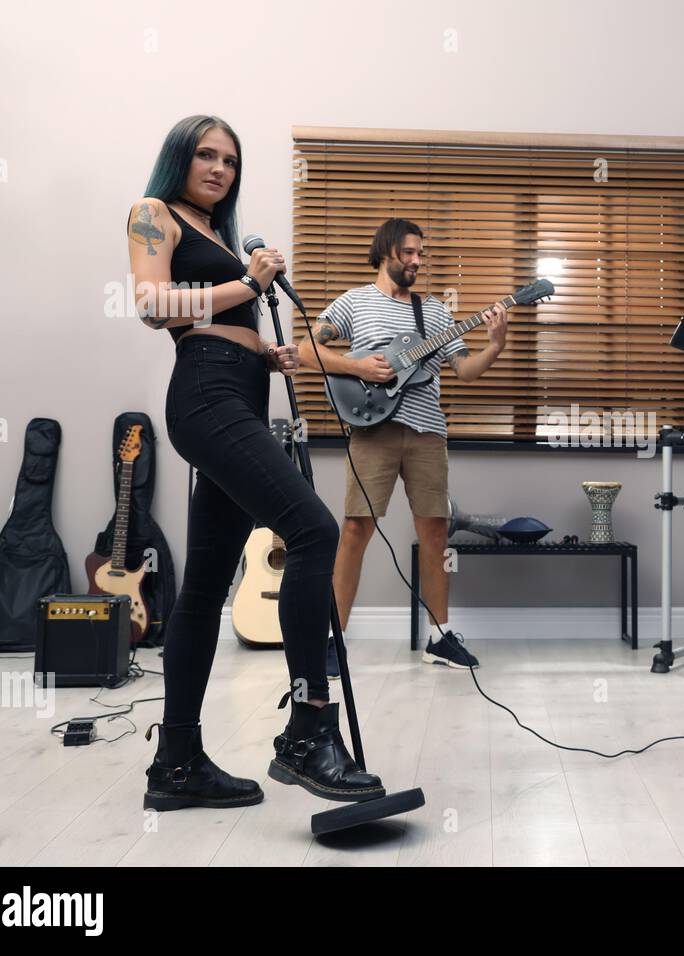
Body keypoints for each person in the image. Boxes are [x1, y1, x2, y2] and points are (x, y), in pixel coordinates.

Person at [128, 115, 382, 810]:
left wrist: (259, 348)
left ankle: (176, 763)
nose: (218, 169)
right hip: (206, 397)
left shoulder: (219, 233)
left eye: (230, 161)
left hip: (237, 387)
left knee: (208, 586)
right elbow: (151, 304)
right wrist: (247, 284)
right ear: (179, 156)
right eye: (205, 155)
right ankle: (306, 733)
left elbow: (220, 316)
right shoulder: (154, 214)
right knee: (315, 531)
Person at [298, 218, 508, 671]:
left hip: (428, 431)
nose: (416, 261)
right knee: (356, 529)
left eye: (419, 254)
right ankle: (330, 641)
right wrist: (359, 369)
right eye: (408, 253)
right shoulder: (353, 303)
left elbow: (465, 371)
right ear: (385, 251)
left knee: (435, 532)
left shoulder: (432, 312)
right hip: (372, 431)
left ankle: (439, 636)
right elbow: (306, 350)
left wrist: (494, 346)